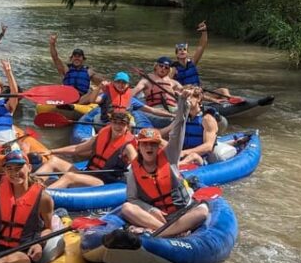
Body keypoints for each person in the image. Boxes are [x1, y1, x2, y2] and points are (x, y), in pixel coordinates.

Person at [120, 88, 209, 237]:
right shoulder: (133, 170)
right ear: (139, 147)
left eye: (153, 144)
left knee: (202, 212)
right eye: (145, 144)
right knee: (127, 208)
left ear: (158, 146)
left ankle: (158, 235)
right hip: (157, 217)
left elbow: (178, 131)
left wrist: (182, 105)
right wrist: (151, 210)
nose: (149, 147)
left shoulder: (170, 157)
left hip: (182, 212)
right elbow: (132, 199)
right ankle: (170, 232)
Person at [34, 110, 138, 189]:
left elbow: (138, 165)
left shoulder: (128, 147)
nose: (118, 126)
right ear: (111, 123)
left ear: (127, 127)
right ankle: (32, 185)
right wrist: (52, 151)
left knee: (70, 176)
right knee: (53, 161)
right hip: (89, 173)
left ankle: (41, 195)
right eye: (115, 122)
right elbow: (77, 149)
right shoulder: (101, 136)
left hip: (103, 182)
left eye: (122, 123)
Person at [169, 86, 235, 166]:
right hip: (181, 154)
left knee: (192, 156)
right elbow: (166, 132)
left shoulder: (207, 119)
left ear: (199, 98)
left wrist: (183, 153)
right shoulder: (182, 117)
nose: (187, 100)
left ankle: (175, 167)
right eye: (184, 97)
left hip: (200, 158)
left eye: (190, 97)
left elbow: (208, 146)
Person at [172, 21, 232, 99]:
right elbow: (168, 84)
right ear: (176, 54)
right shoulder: (173, 68)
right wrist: (183, 88)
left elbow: (201, 46)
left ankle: (228, 104)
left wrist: (204, 31)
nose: (182, 51)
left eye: (184, 49)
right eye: (179, 50)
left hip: (200, 93)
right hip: (187, 96)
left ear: (187, 53)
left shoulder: (192, 62)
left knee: (224, 91)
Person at [84, 72, 176, 123]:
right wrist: (99, 87)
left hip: (122, 124)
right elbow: (92, 100)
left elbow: (152, 110)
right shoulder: (107, 95)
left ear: (128, 85)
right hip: (105, 122)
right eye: (118, 82)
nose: (121, 85)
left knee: (130, 124)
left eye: (124, 83)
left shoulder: (131, 100)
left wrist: (172, 115)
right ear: (114, 83)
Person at [49, 33, 101, 101]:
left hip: (82, 98)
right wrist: (52, 44)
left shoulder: (89, 71)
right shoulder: (66, 69)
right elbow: (55, 58)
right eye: (75, 57)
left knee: (93, 92)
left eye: (79, 57)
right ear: (71, 58)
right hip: (68, 96)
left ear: (83, 59)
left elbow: (101, 82)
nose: (77, 59)